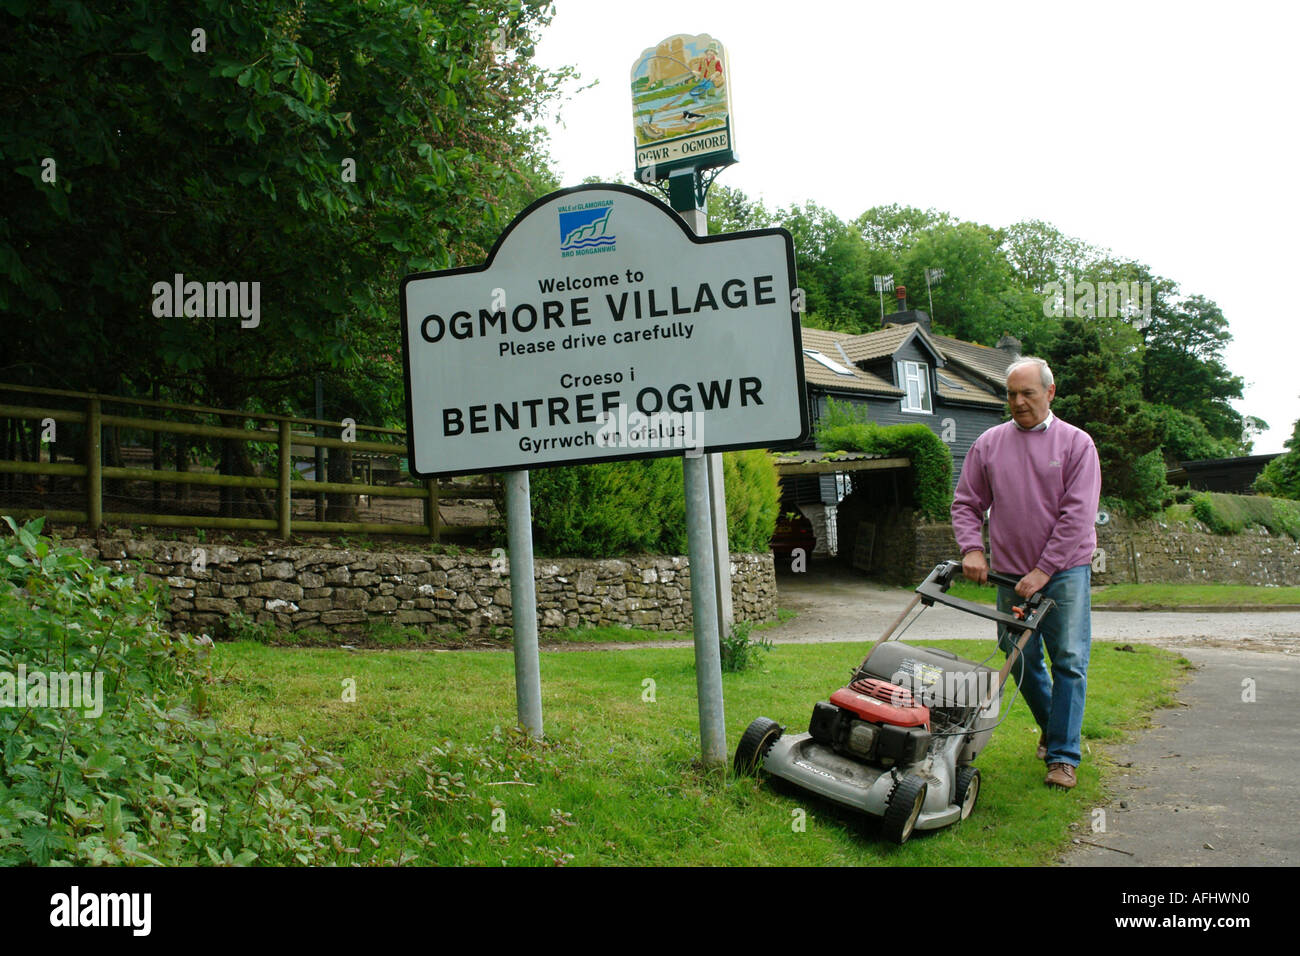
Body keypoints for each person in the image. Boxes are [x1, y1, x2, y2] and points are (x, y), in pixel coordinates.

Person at [950, 356, 1101, 789]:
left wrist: (1044, 569)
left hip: (1065, 572)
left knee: (1069, 660)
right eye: (1012, 394)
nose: (1018, 402)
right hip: (1010, 576)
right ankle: (1056, 735)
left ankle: (1063, 758)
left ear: (1050, 393)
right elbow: (966, 503)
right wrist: (972, 548)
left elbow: (1077, 516)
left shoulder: (1077, 445)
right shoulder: (990, 444)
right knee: (1019, 659)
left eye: (1027, 393)